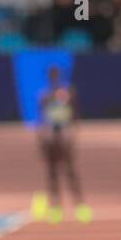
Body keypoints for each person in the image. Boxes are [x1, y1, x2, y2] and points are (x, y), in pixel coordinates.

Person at [36, 65, 89, 224]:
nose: (53, 76)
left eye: (55, 74)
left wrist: (73, 135)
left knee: (71, 172)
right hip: (51, 138)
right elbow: (42, 120)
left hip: (64, 137)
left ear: (59, 75)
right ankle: (55, 207)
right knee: (52, 174)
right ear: (48, 77)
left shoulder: (68, 93)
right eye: (50, 74)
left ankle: (80, 206)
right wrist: (41, 140)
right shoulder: (44, 96)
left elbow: (75, 116)